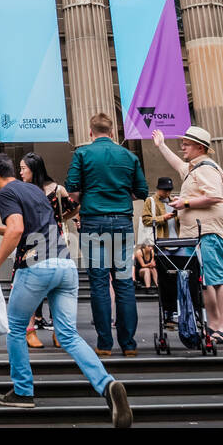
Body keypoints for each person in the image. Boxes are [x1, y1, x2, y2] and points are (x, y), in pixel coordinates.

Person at [0, 152, 132, 427]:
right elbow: (28, 227)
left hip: (36, 265)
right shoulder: (35, 190)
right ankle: (107, 385)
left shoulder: (4, 194)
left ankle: (22, 392)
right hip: (65, 265)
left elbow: (17, 229)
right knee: (68, 334)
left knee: (16, 328)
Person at [65, 113, 147, 357]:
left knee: (99, 284)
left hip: (93, 223)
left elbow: (72, 189)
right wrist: (121, 196)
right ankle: (129, 344)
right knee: (124, 283)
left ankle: (104, 344)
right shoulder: (129, 156)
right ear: (113, 133)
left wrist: (90, 198)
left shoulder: (82, 154)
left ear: (91, 133)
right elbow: (141, 190)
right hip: (122, 222)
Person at [151, 125, 223, 344]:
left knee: (217, 279)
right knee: (206, 281)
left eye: (186, 144)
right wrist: (161, 146)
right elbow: (178, 164)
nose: (182, 147)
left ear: (200, 147)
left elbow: (216, 196)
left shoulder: (207, 168)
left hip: (209, 231)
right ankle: (215, 325)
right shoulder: (193, 168)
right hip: (196, 233)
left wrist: (185, 202)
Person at [19, 152, 75, 347]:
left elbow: (73, 207)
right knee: (31, 287)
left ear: (33, 169)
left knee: (56, 287)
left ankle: (58, 331)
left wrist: (61, 220)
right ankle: (30, 330)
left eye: (23, 168)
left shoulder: (57, 189)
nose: (20, 172)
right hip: (31, 241)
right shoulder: (23, 190)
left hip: (54, 240)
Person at [141, 177, 176, 244]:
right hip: (159, 241)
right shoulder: (150, 201)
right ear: (159, 189)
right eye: (165, 190)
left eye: (170, 190)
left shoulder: (174, 201)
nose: (168, 193)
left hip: (178, 241)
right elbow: (145, 220)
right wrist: (163, 218)